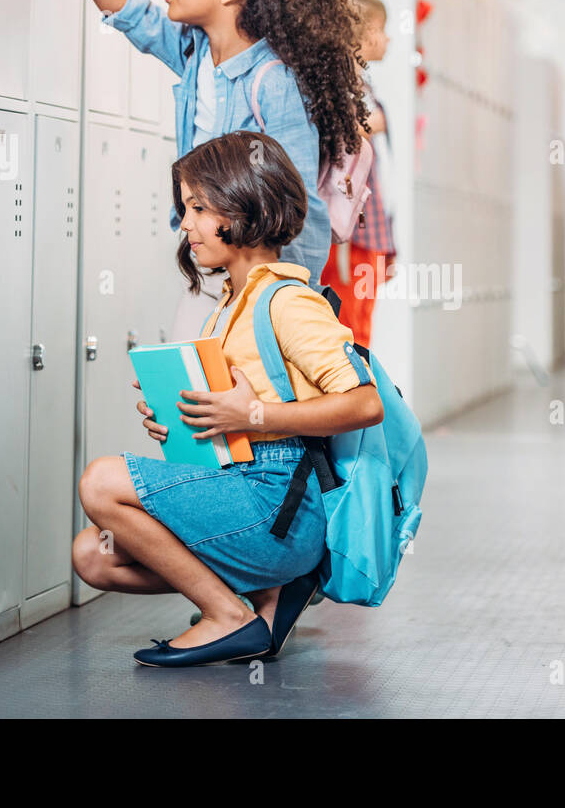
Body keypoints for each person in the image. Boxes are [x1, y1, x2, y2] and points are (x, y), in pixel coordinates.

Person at [70, 132, 383, 666]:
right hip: (238, 481)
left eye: (197, 207)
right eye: (184, 208)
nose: (185, 224)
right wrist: (181, 417)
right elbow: (233, 418)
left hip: (276, 503)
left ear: (245, 203)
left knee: (100, 481)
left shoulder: (288, 301)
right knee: (93, 557)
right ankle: (267, 595)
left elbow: (364, 403)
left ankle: (230, 617)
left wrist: (252, 412)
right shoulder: (228, 305)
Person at [41, 0, 368, 320]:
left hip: (261, 288)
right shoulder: (195, 53)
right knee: (181, 388)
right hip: (209, 273)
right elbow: (118, 2)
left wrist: (294, 305)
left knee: (216, 392)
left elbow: (301, 209)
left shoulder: (275, 83)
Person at [321, 0, 398, 348]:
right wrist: (373, 122)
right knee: (347, 326)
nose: (388, 39)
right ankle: (353, 400)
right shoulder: (338, 84)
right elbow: (339, 137)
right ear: (362, 34)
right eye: (382, 29)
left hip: (370, 233)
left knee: (361, 322)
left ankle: (362, 398)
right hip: (351, 236)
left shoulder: (363, 85)